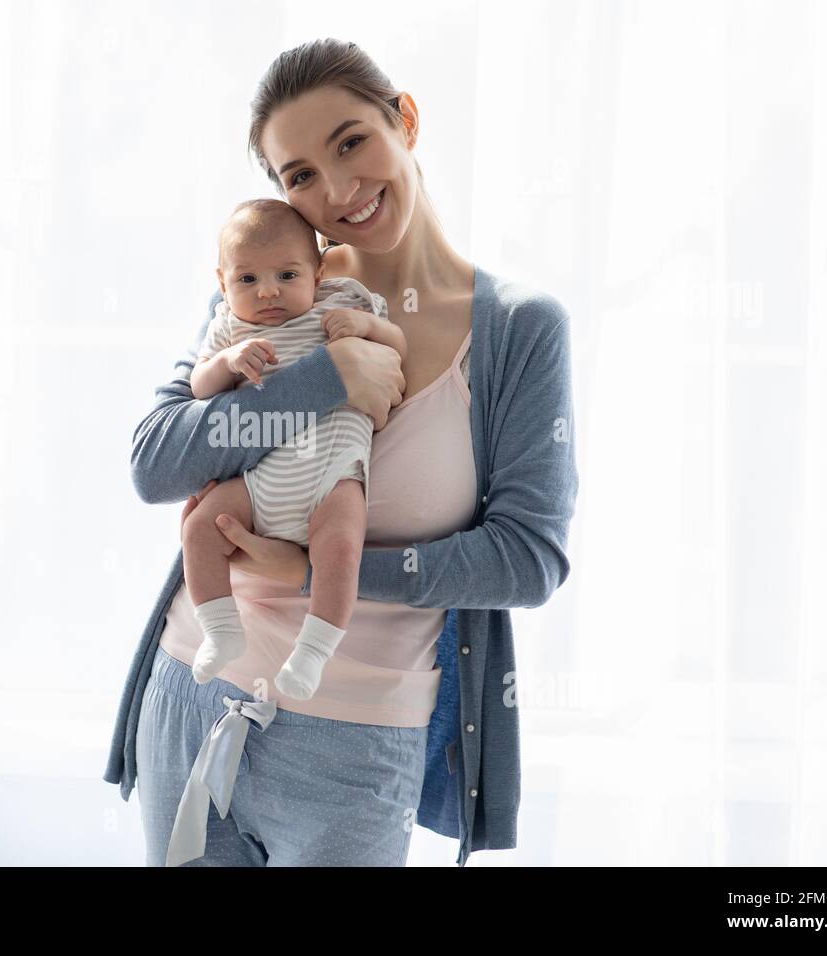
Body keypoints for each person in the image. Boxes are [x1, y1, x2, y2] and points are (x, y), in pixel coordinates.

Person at [103, 37, 579, 867]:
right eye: (300, 175)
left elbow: (529, 560)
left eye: (352, 142)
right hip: (191, 694)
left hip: (356, 743)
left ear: (407, 121)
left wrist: (323, 576)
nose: (339, 190)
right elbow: (155, 462)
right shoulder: (271, 282)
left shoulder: (519, 330)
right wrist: (319, 381)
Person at [185, 197, 405, 701]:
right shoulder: (228, 329)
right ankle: (220, 629)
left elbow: (397, 345)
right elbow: (199, 387)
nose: (268, 292)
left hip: (332, 471)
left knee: (342, 548)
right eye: (247, 281)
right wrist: (228, 363)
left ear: (319, 273)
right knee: (200, 527)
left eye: (287, 275)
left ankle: (313, 651)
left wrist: (367, 328)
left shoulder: (342, 302)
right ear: (222, 283)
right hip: (263, 479)